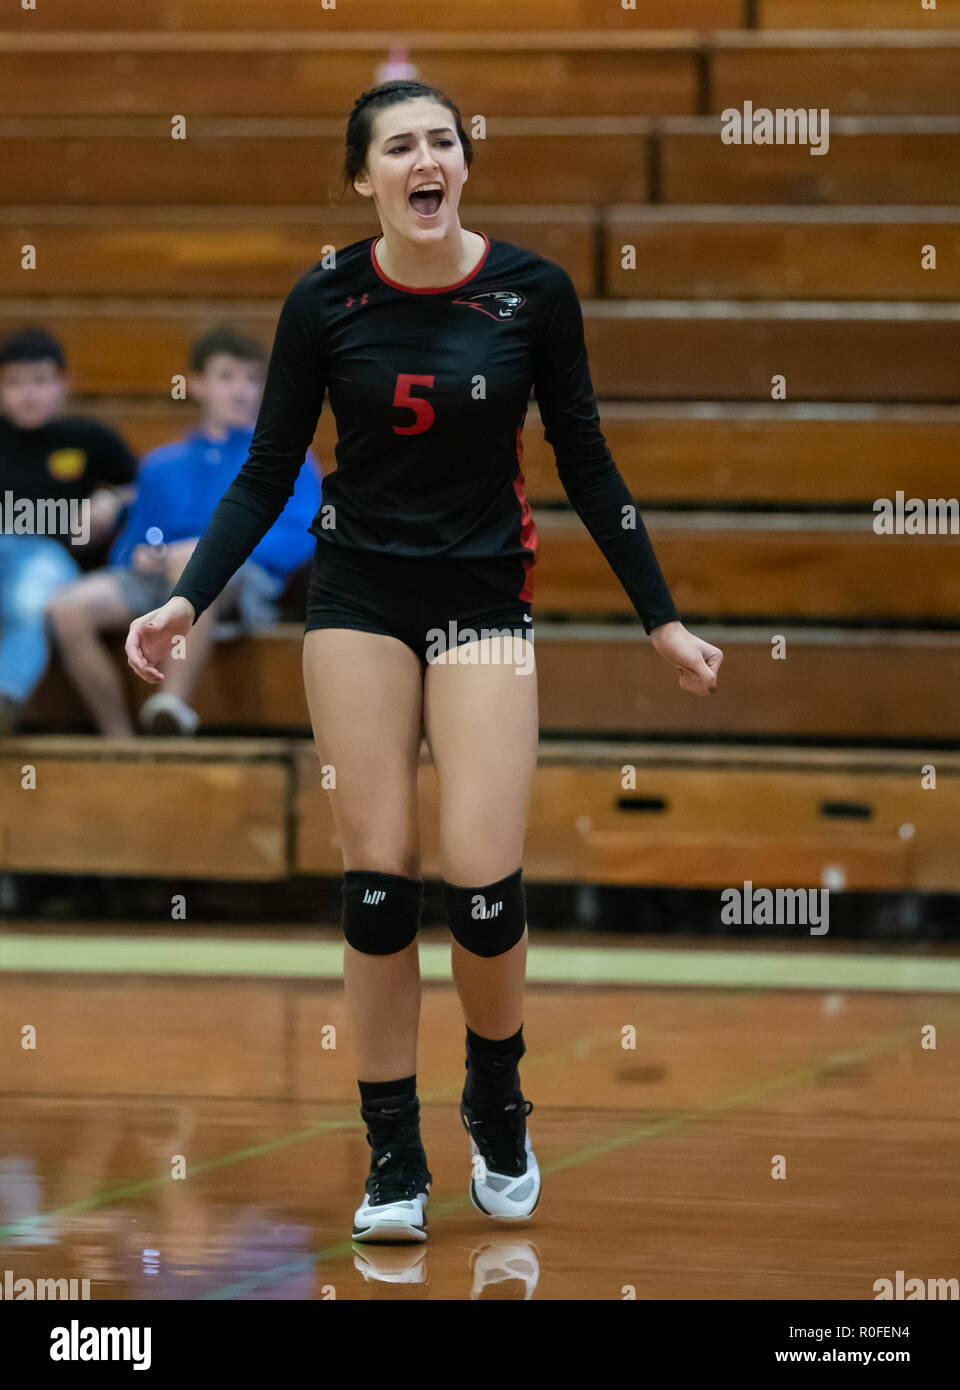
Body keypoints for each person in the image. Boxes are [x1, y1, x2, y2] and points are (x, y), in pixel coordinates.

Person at [125, 80, 724, 1242]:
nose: (424, 157)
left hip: (483, 602)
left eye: (441, 139)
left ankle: (496, 1097)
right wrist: (186, 601)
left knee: (485, 891)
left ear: (463, 162)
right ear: (366, 179)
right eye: (399, 145)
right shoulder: (326, 298)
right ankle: (393, 1152)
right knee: (379, 883)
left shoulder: (534, 293)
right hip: (359, 598)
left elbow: (590, 465)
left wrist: (662, 617)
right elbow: (265, 473)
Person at [47, 327, 321, 736]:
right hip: (159, 577)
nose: (241, 390)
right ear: (197, 385)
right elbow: (131, 545)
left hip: (245, 580)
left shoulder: (286, 458)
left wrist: (211, 551)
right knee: (65, 609)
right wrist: (140, 554)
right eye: (227, 377)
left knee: (193, 558)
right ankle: (118, 741)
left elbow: (302, 535)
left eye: (252, 379)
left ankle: (171, 704)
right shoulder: (162, 464)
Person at [0, 328, 137, 735]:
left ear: (64, 384)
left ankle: (6, 693)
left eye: (41, 380)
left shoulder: (89, 439)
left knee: (29, 602)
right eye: (14, 382)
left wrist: (112, 501)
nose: (29, 394)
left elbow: (143, 486)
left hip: (48, 553)